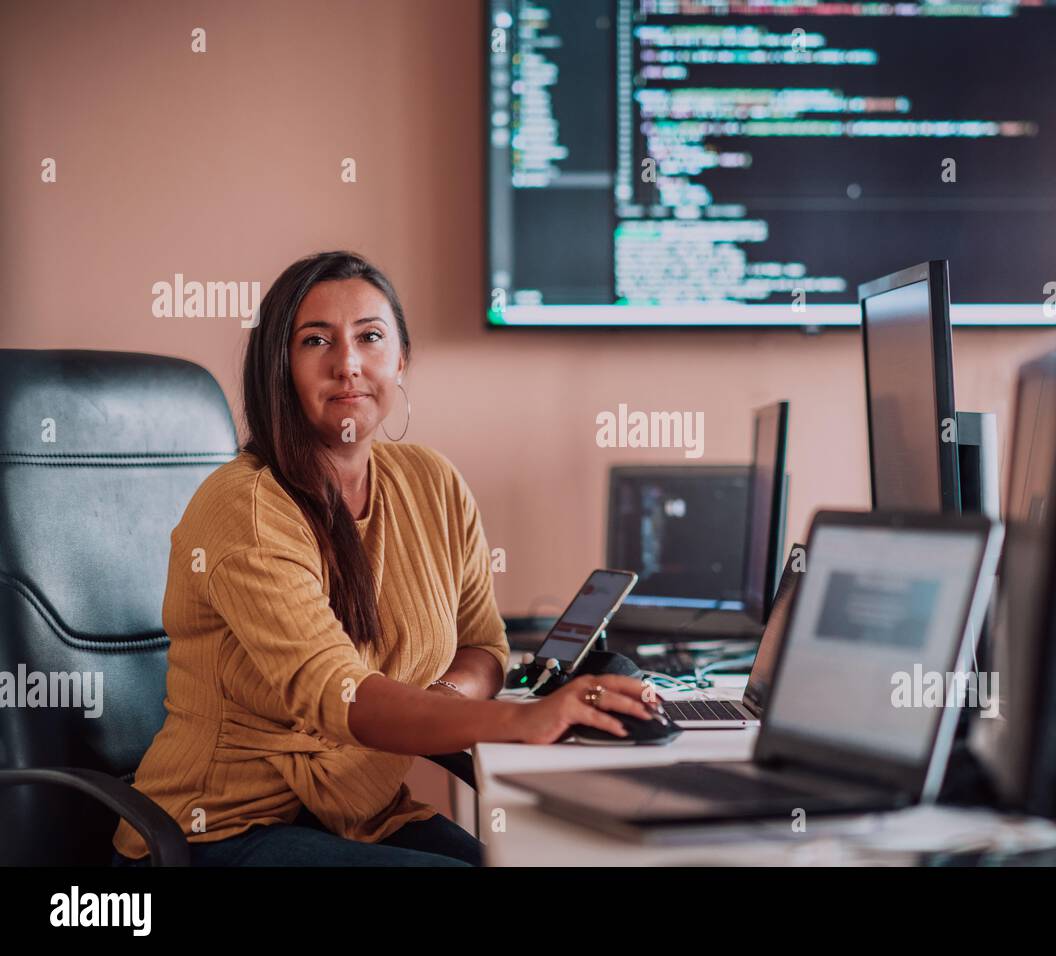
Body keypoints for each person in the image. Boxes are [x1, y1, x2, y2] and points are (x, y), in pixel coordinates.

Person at [111, 251, 654, 867]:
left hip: (359, 817)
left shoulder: (432, 482)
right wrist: (526, 722)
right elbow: (341, 695)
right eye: (316, 341)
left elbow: (483, 645)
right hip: (219, 832)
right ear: (280, 369)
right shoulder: (247, 508)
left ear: (400, 360)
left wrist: (447, 699)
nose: (348, 364)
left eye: (370, 337)